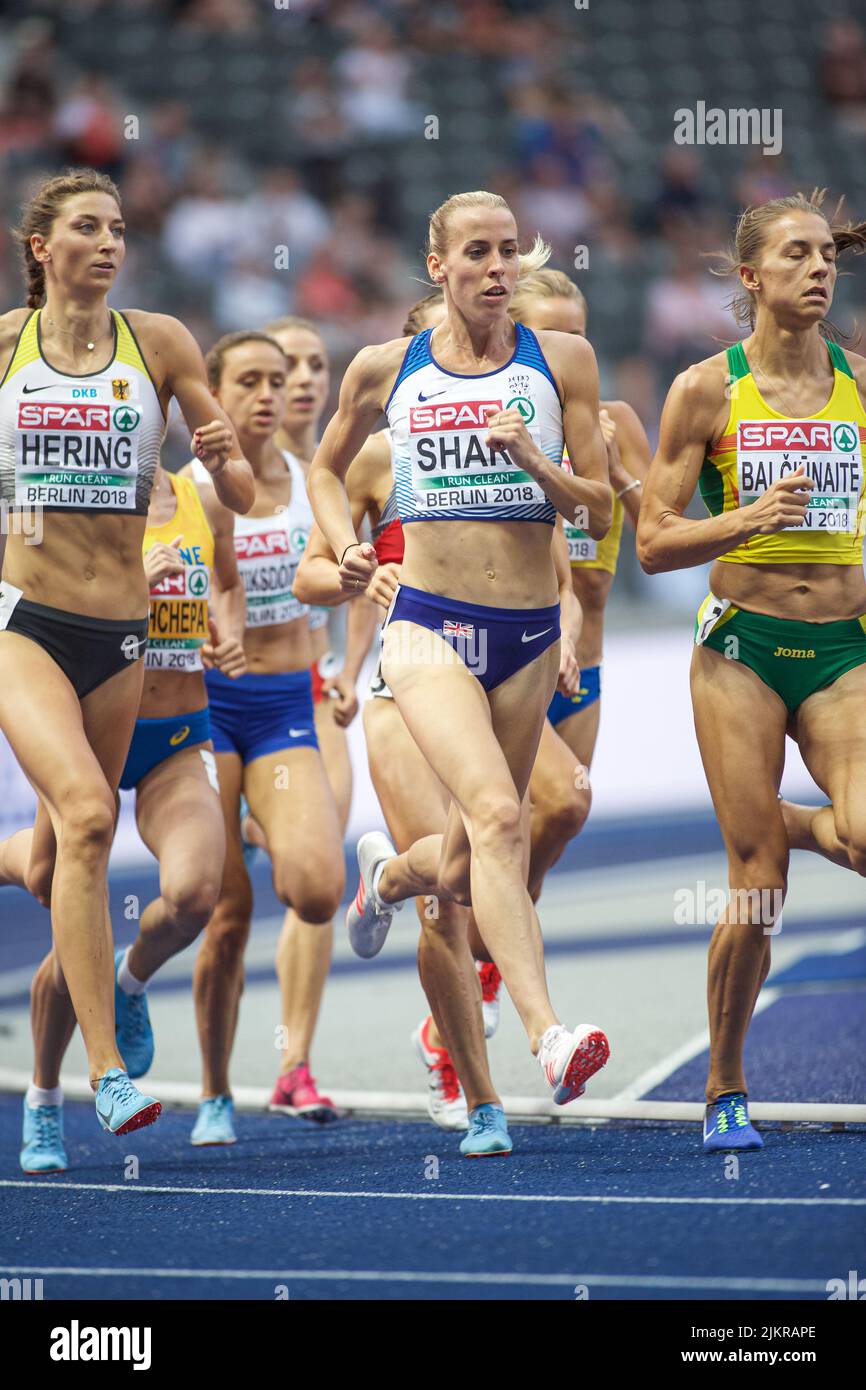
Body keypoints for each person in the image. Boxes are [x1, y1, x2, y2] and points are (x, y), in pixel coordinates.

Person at [306, 190, 613, 1157]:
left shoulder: (561, 360)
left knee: (481, 849)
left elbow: (601, 513)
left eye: (509, 251)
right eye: (476, 251)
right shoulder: (385, 367)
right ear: (435, 265)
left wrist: (538, 463)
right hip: (428, 627)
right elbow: (324, 467)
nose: (496, 267)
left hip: (524, 635)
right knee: (500, 816)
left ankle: (389, 877)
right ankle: (548, 1037)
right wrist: (340, 550)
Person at [0, 168, 253, 1170]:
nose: (109, 243)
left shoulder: (161, 342)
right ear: (39, 246)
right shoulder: (5, 348)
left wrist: (226, 454)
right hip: (22, 622)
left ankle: (42, 1090)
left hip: (123, 635)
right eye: (87, 228)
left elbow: (233, 483)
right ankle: (111, 1070)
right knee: (90, 819)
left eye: (118, 228)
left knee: (69, 858)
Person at [637, 190, 866, 1152]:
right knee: (758, 882)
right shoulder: (705, 388)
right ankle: (726, 1082)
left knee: (858, 837)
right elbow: (651, 542)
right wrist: (743, 520)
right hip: (743, 650)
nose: (820, 269)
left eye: (828, 256)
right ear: (751, 277)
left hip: (847, 650)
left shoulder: (861, 381)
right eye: (797, 255)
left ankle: (771, 815)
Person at [17, 458, 246, 1172]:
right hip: (91, 734)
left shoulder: (203, 500)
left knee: (192, 896)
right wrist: (131, 587)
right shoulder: (69, 500)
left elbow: (230, 586)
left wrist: (227, 632)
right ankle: (44, 1097)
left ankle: (130, 978)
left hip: (179, 739)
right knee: (48, 883)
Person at [182, 331, 344, 1143]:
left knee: (316, 887)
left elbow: (343, 579)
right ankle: (215, 1090)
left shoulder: (317, 485)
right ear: (211, 392)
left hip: (287, 701)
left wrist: (344, 664)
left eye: (277, 381)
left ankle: (259, 818)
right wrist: (203, 633)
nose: (269, 395)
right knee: (223, 917)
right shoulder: (184, 488)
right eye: (247, 381)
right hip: (205, 710)